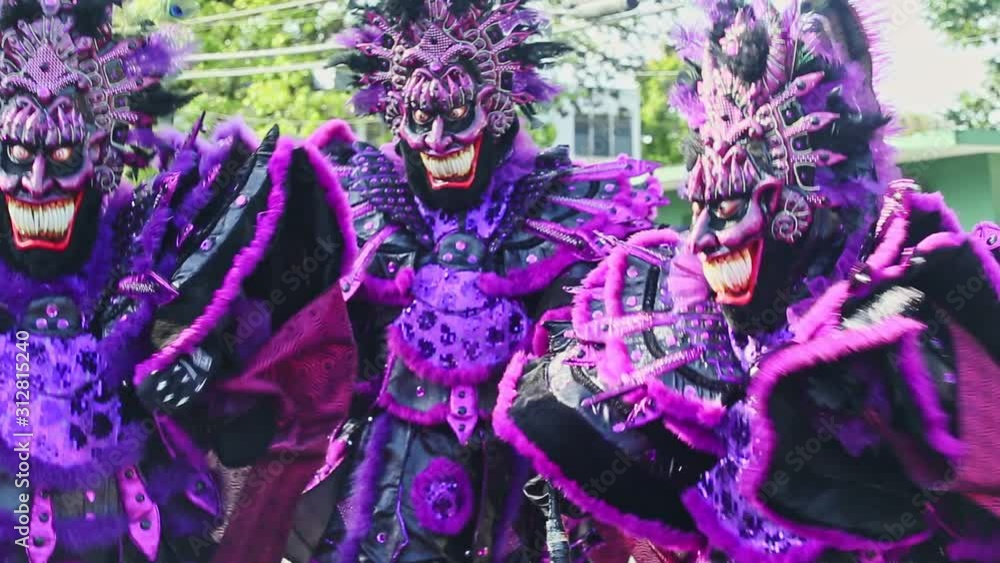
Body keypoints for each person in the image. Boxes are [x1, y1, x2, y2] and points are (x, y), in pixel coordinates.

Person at [494, 0, 1000, 561]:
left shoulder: (914, 313)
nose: (703, 237)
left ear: (804, 204)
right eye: (699, 206)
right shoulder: (676, 340)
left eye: (730, 206)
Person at [282, 1, 665, 561]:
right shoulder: (358, 207)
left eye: (457, 111)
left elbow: (588, 351)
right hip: (381, 490)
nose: (438, 139)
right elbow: (307, 349)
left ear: (499, 107)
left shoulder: (558, 212)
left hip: (517, 496)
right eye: (420, 115)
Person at [0, 0, 356, 561]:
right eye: (17, 154)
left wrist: (204, 359)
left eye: (62, 153)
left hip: (139, 528)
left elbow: (257, 387)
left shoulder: (148, 243)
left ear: (100, 152)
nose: (36, 180)